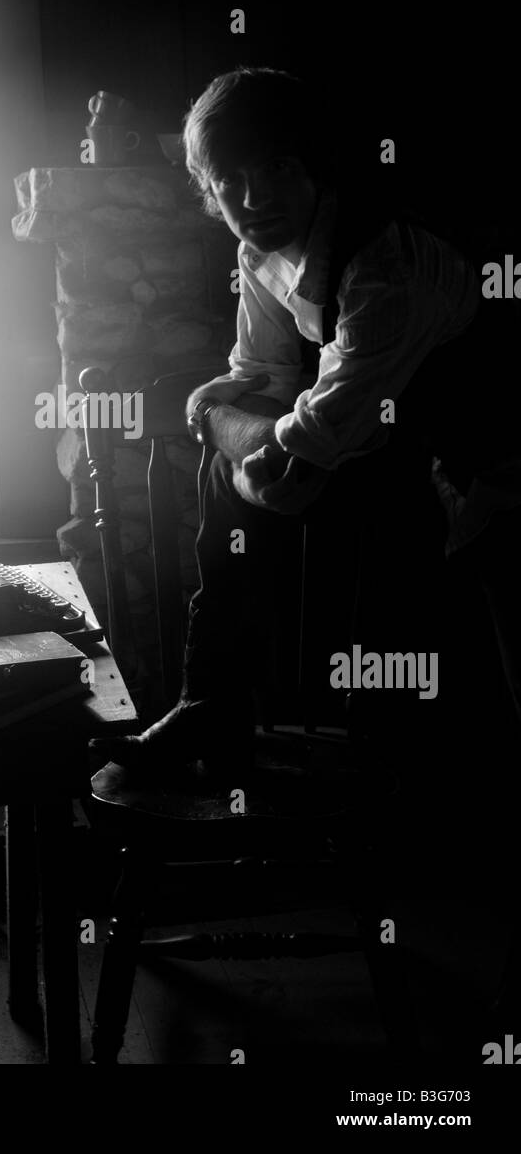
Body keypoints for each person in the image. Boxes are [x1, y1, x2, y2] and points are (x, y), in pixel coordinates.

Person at [100, 66, 521, 781]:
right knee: (243, 464)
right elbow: (263, 383)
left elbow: (306, 444)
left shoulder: (387, 266)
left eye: (276, 169)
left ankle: (381, 763)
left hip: (496, 468)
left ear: (314, 168)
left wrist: (208, 414)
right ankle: (212, 702)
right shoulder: (260, 248)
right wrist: (247, 440)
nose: (252, 199)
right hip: (402, 454)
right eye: (228, 179)